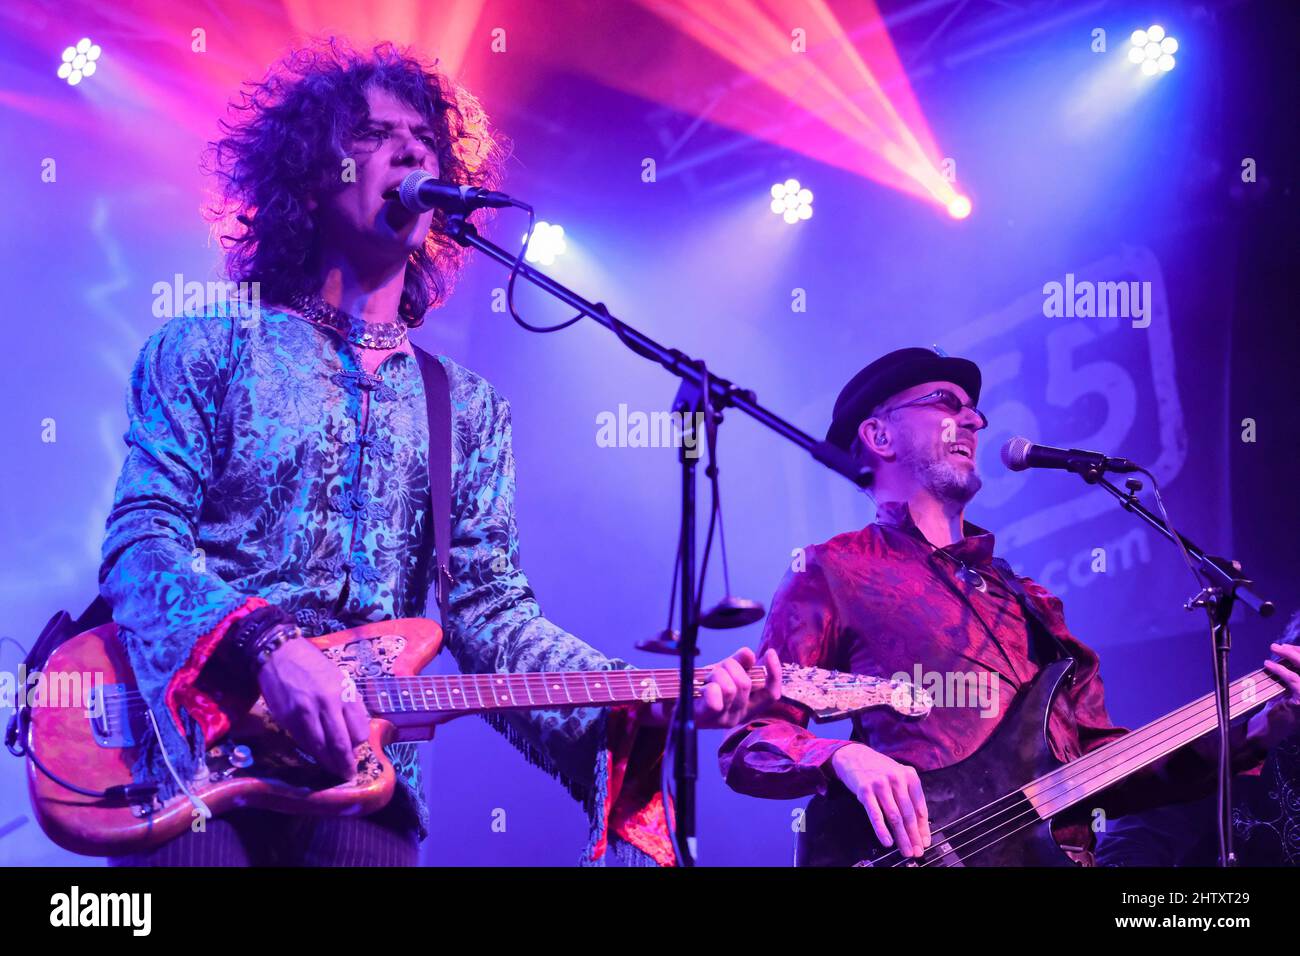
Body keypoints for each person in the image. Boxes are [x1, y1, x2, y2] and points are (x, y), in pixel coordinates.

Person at [100, 38, 779, 867]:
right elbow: (142, 545)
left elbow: (490, 613)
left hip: (364, 780)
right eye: (375, 136)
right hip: (194, 757)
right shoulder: (206, 349)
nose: (413, 152)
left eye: (424, 142)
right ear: (313, 178)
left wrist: (644, 697)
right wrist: (266, 645)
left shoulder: (466, 407)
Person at [718, 346, 1300, 864]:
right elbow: (751, 742)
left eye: (974, 409)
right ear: (880, 436)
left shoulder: (1033, 605)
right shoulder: (834, 569)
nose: (972, 418)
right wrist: (840, 755)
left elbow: (1104, 766)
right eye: (946, 402)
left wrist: (1257, 728)